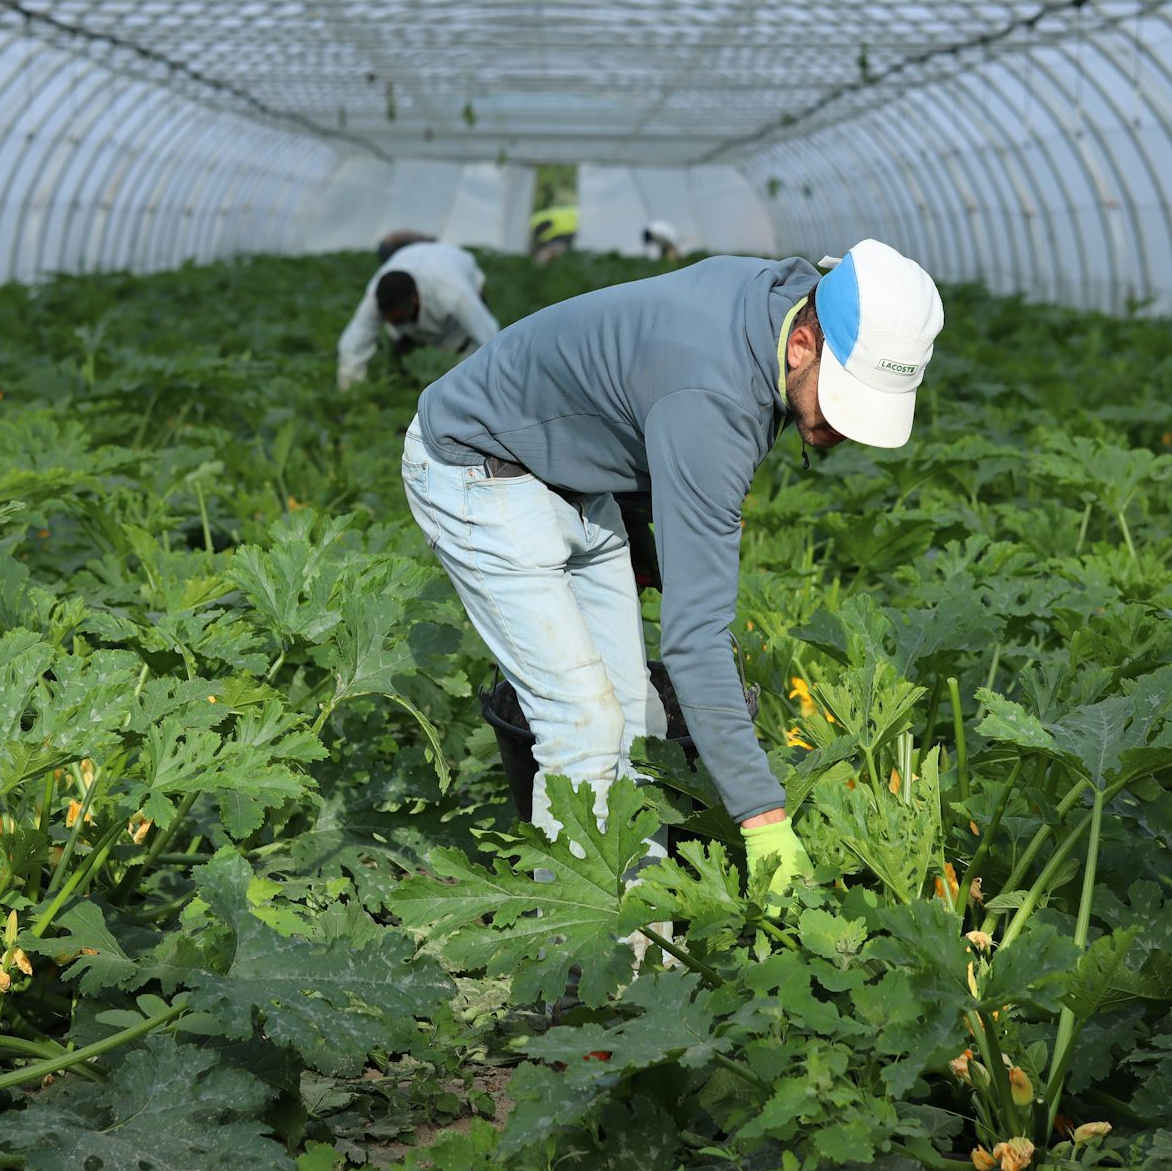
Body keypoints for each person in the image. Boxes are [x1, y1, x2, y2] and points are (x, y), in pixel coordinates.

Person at [400, 239, 944, 897]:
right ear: (803, 343)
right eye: (845, 398)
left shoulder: (787, 299)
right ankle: (576, 969)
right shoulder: (712, 400)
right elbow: (693, 641)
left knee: (636, 723)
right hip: (478, 468)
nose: (846, 428)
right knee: (584, 729)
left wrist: (644, 540)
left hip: (572, 475)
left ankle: (642, 947)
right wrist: (763, 819)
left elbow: (628, 391)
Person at [336, 240, 501, 391]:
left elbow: (488, 336)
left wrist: (482, 379)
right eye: (389, 319)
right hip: (412, 260)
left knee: (469, 352)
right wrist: (349, 392)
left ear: (414, 300)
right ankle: (406, 385)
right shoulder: (376, 296)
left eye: (398, 317)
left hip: (454, 266)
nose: (393, 322)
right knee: (403, 353)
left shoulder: (455, 295)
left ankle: (464, 392)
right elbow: (354, 343)